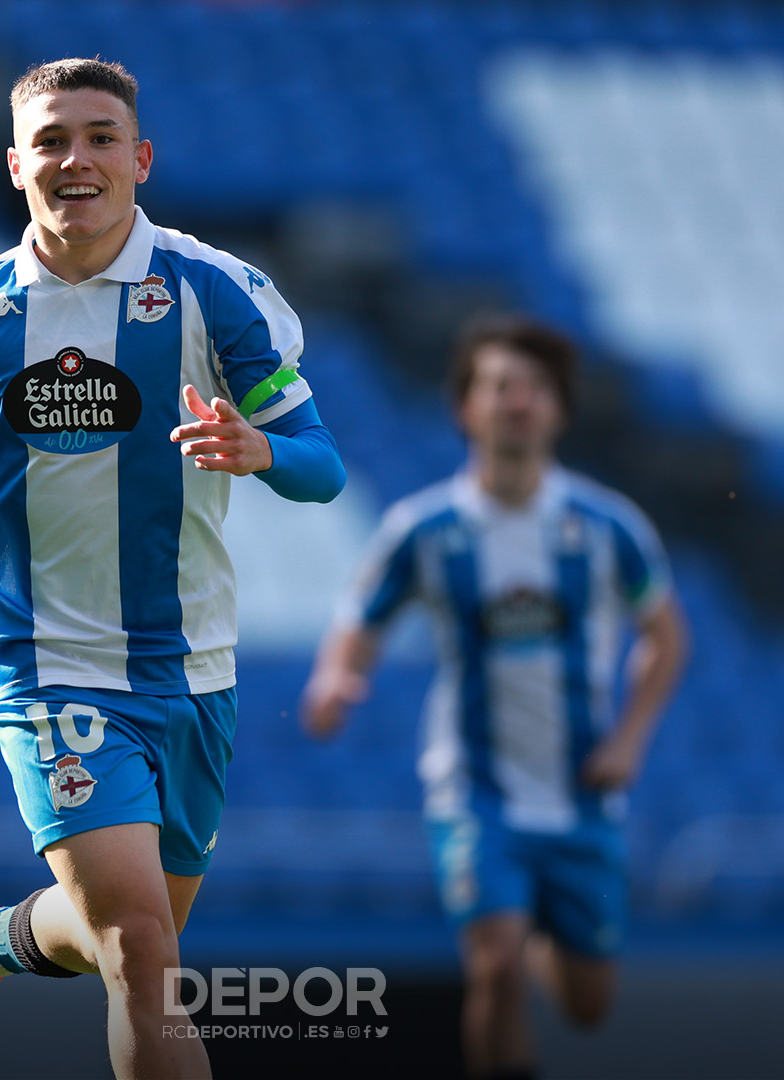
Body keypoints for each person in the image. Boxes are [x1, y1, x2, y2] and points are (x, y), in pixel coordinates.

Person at [0, 58, 343, 1078]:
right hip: (46, 665)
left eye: (97, 136)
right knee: (141, 951)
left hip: (193, 667)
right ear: (13, 164)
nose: (74, 157)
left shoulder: (215, 295)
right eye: (50, 139)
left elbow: (325, 470)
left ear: (140, 158)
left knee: (129, 939)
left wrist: (263, 452)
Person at [302, 317, 686, 1080]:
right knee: (495, 968)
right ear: (465, 408)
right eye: (501, 385)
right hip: (475, 791)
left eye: (536, 388)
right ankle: (517, 938)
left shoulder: (609, 527)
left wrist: (631, 737)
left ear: (560, 411)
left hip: (582, 794)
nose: (519, 401)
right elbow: (359, 621)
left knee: (587, 1002)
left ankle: (543, 926)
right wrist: (335, 679)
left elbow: (668, 638)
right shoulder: (425, 528)